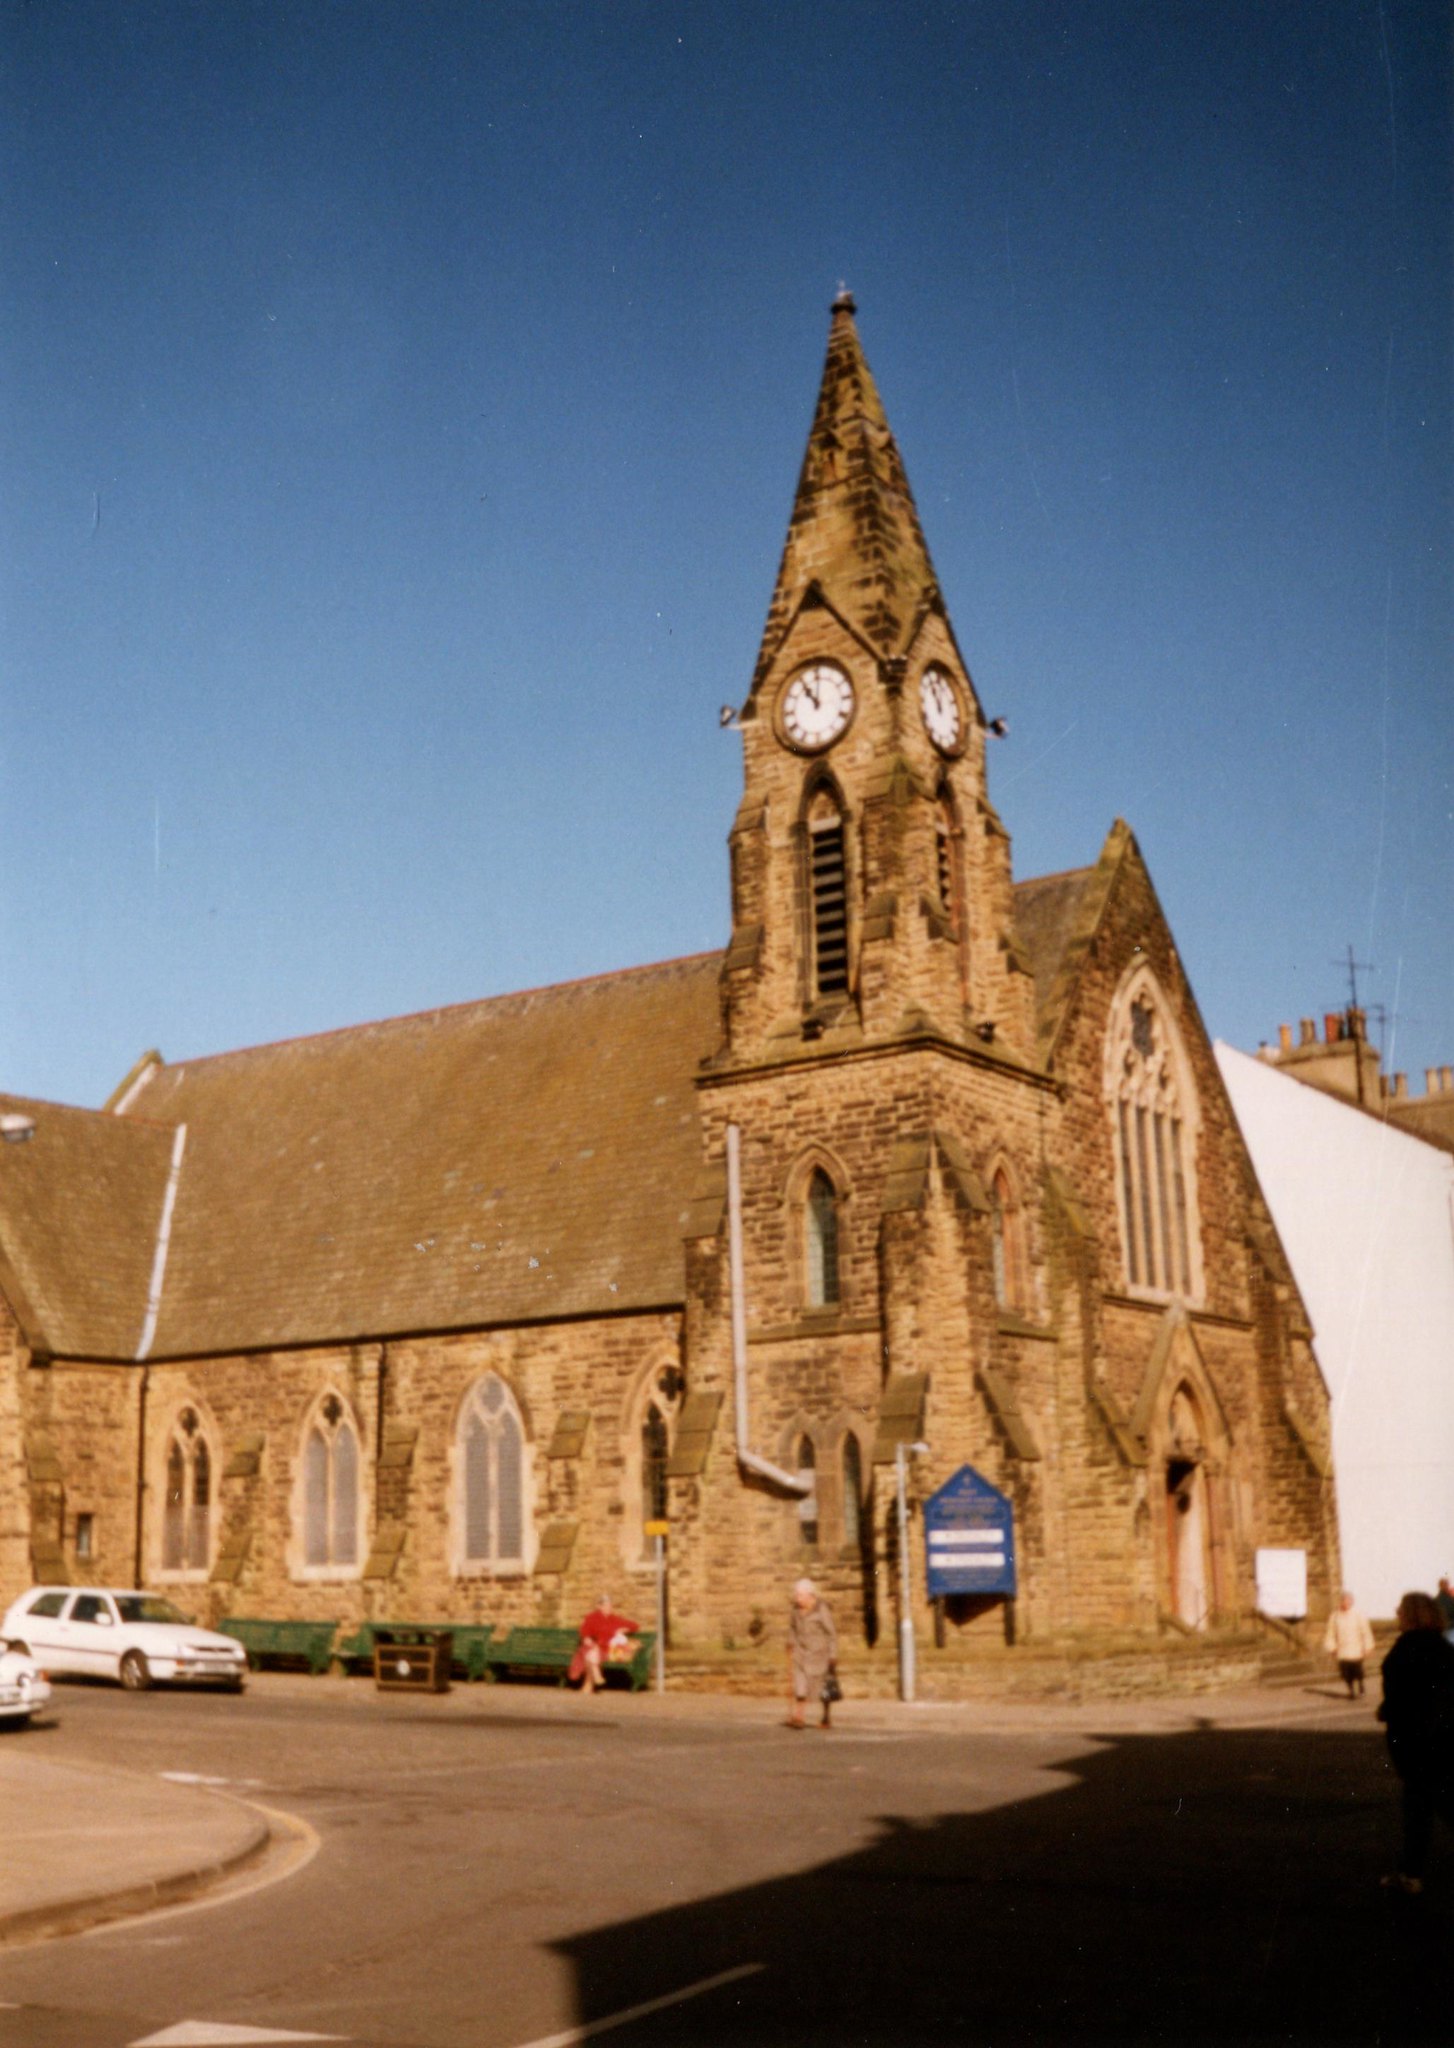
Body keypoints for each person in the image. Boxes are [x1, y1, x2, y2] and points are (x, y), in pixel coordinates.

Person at [1376, 1590, 1454, 1894]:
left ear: (1411, 1615)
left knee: (1421, 1807)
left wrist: (1387, 1710)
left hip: (1417, 1742)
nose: (1396, 1613)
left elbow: (1403, 1697)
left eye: (1401, 1609)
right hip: (1443, 1738)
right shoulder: (1443, 1648)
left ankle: (1410, 1873)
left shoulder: (1406, 1649)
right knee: (1430, 1803)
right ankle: (1410, 1871)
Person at [786, 1576, 837, 1730]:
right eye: (796, 1595)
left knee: (823, 1689)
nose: (797, 1598)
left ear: (810, 1595)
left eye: (800, 1595)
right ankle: (799, 1716)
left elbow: (831, 1633)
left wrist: (833, 1655)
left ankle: (826, 1717)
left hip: (819, 1655)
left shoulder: (821, 1609)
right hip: (801, 1653)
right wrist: (790, 1642)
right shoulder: (795, 1610)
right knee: (800, 1684)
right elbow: (792, 1628)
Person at [573, 1594, 638, 1694]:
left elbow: (635, 1625)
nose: (608, 1608)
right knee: (591, 1652)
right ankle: (595, 1676)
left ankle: (590, 1682)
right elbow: (584, 1632)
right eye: (606, 1605)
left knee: (591, 1656)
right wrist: (588, 1640)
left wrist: (624, 1629)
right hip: (590, 1646)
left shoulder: (614, 1619)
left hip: (605, 1650)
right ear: (599, 1606)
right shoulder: (592, 1618)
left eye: (610, 1606)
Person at [1322, 1589, 1376, 1698]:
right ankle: (1351, 1690)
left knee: (1358, 1671)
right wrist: (1331, 1647)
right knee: (1346, 1673)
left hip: (1356, 1649)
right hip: (1342, 1650)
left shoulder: (1359, 1615)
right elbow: (1330, 1633)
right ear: (1341, 1601)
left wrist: (1367, 1647)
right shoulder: (1335, 1616)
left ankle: (1361, 1685)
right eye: (1344, 1600)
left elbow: (1365, 1632)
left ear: (1352, 1602)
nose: (1346, 1603)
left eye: (1348, 1601)